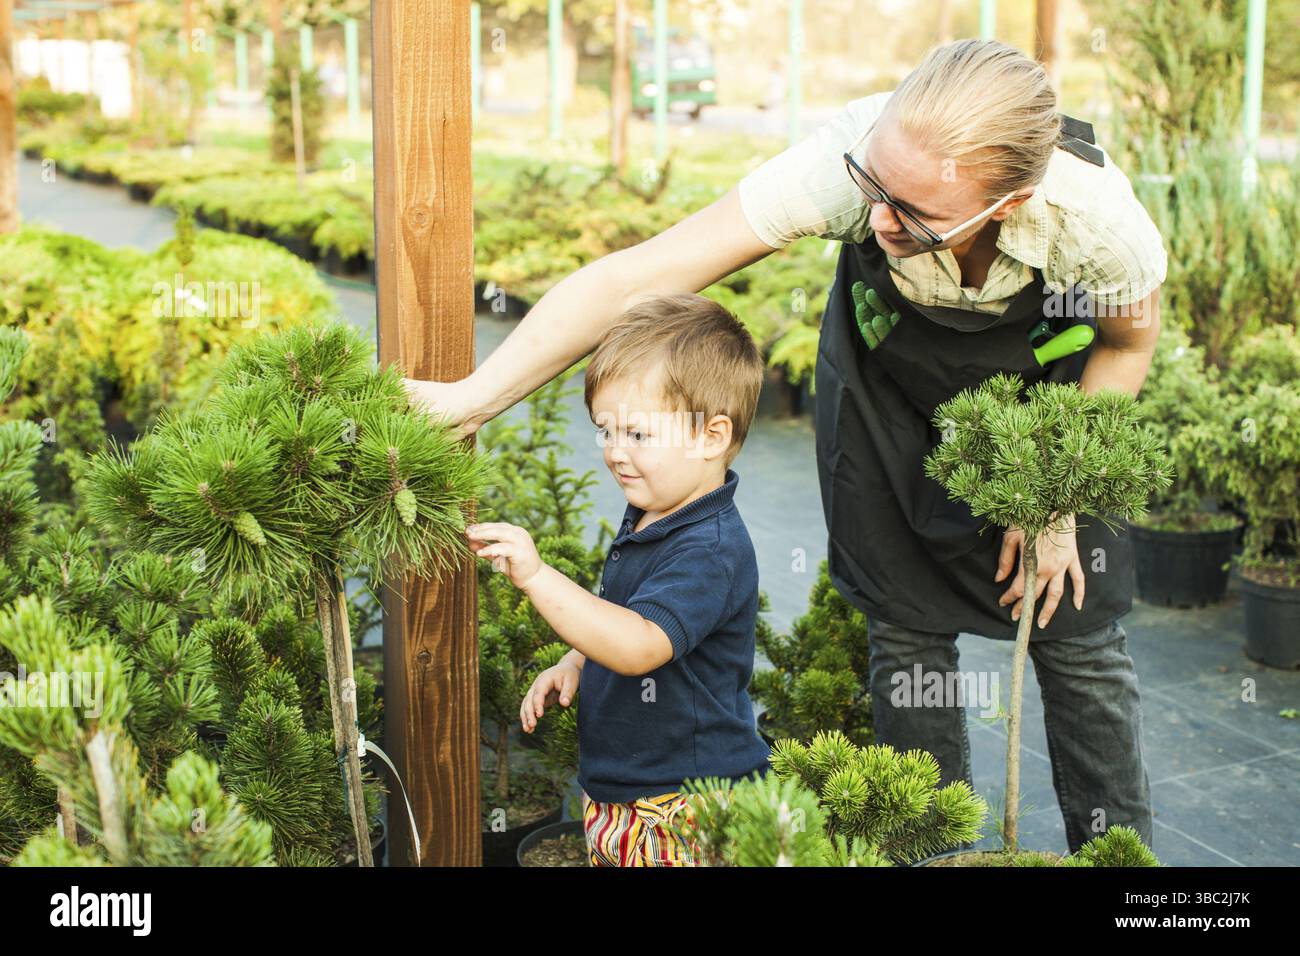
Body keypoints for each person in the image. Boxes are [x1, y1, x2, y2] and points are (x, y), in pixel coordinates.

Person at [407, 39, 1166, 855]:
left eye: (911, 214)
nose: (876, 219)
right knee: (906, 630)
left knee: (1076, 629)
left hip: (1050, 404)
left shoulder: (1097, 226)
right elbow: (641, 279)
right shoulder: (842, 164)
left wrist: (1054, 499)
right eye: (874, 187)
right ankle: (931, 852)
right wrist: (472, 398)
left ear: (1008, 203)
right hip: (890, 394)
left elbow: (1124, 346)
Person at [464, 293, 771, 866]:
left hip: (685, 805)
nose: (614, 452)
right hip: (628, 793)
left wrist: (535, 575)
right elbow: (626, 613)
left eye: (637, 434)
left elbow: (637, 644)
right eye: (605, 430)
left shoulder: (711, 549)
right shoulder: (654, 515)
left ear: (711, 436)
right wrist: (577, 661)